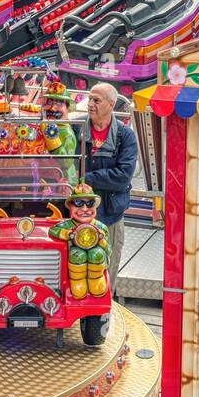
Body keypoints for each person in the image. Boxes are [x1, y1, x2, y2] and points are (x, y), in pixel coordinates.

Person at [82, 82, 137, 289]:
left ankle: (104, 316)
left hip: (110, 215)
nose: (90, 104)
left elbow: (122, 177)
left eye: (97, 100)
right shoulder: (77, 128)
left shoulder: (125, 136)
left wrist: (86, 178)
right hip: (78, 213)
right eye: (89, 99)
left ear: (111, 105)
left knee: (107, 272)